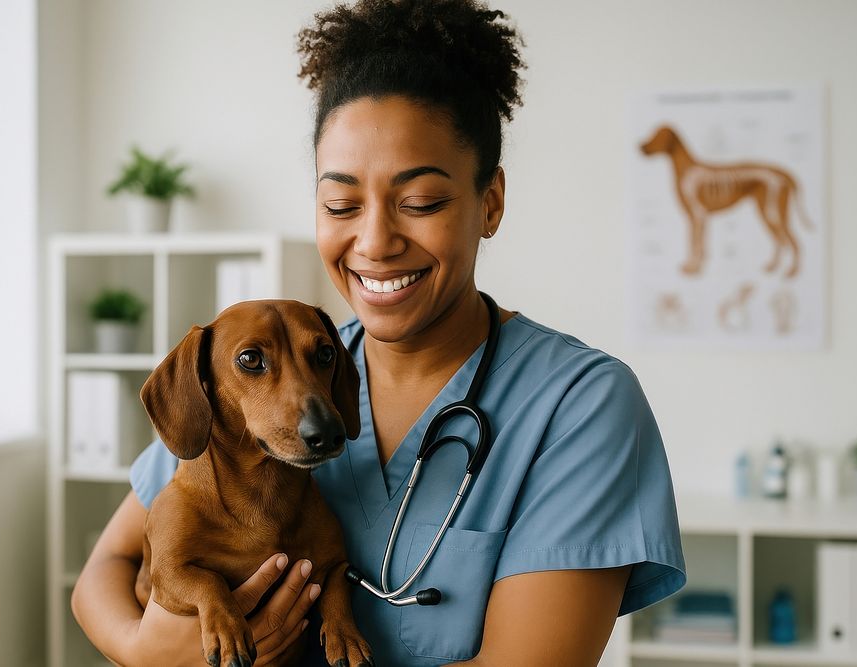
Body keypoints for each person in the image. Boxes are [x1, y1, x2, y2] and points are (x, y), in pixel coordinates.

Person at [71, 1, 687, 665]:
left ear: (490, 202)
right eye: (341, 204)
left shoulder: (579, 404)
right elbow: (108, 566)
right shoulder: (260, 380)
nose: (375, 241)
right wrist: (147, 651)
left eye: (420, 202)